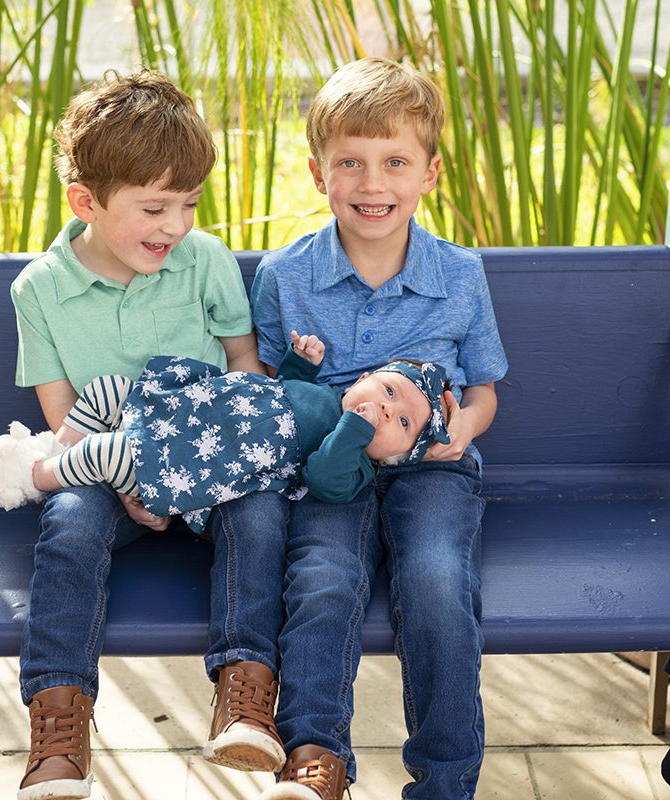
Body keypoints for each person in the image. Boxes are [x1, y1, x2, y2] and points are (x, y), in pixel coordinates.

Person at [9, 69, 289, 800]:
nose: (175, 226)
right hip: (107, 464)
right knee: (68, 523)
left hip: (206, 455)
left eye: (189, 204)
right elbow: (64, 421)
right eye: (156, 207)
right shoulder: (39, 290)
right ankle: (59, 724)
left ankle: (245, 693)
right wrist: (130, 484)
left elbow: (242, 365)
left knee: (259, 513)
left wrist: (230, 452)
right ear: (86, 203)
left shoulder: (205, 261)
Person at [250, 57, 509, 799]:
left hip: (433, 467)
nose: (373, 184)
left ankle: (446, 780)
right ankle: (315, 757)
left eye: (395, 161)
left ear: (429, 174)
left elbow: (485, 391)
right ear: (317, 173)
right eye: (351, 164)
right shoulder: (285, 275)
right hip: (330, 468)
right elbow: (272, 385)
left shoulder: (459, 274)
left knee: (435, 580)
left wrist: (463, 434)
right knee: (323, 583)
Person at [20, 332, 450, 532]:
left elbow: (324, 475)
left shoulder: (355, 466)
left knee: (108, 452)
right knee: (107, 390)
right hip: (181, 414)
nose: (388, 410)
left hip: (194, 456)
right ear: (362, 381)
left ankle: (34, 476)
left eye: (404, 423)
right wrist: (301, 364)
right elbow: (281, 392)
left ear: (397, 456)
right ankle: (57, 449)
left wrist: (356, 429)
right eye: (389, 390)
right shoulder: (325, 394)